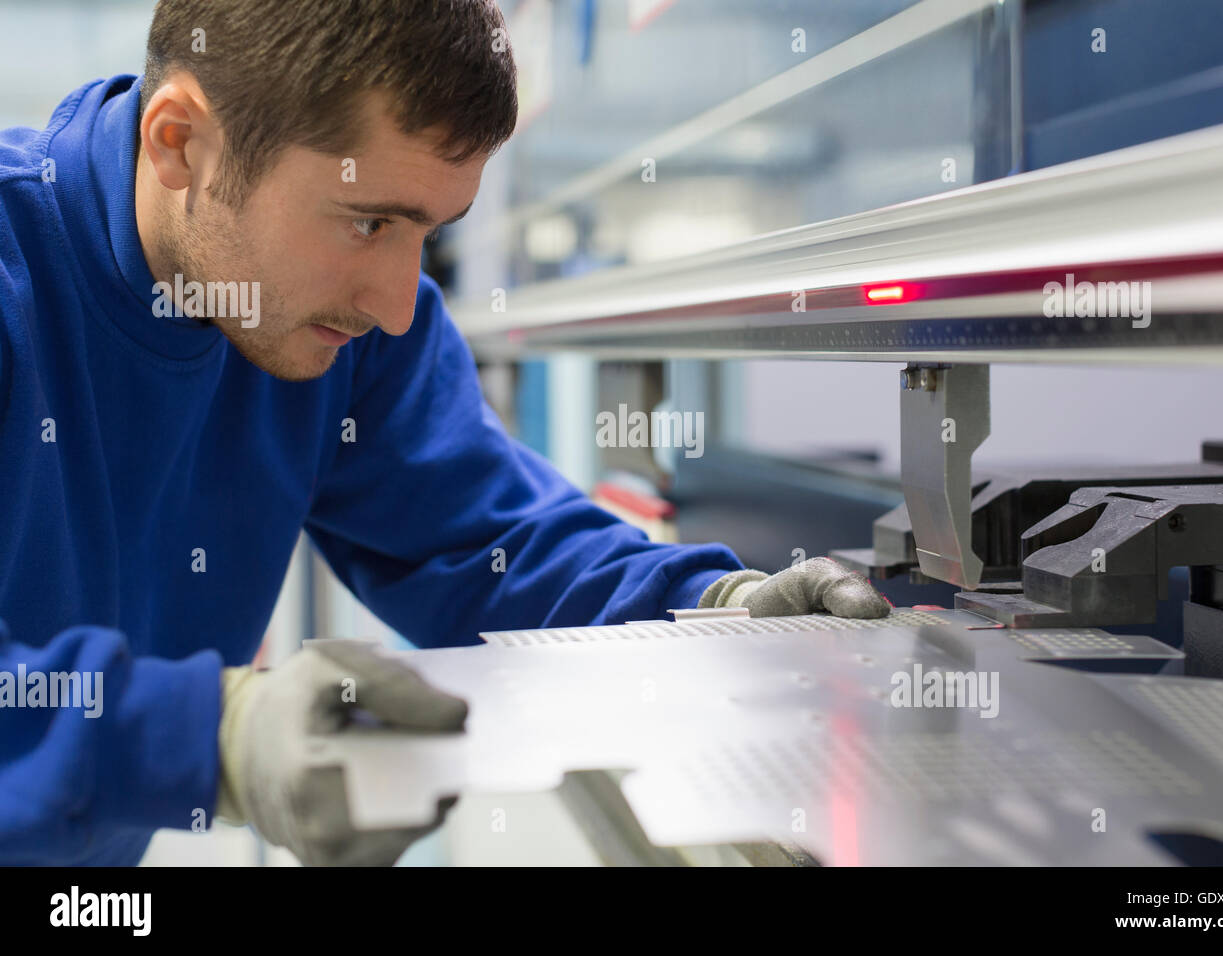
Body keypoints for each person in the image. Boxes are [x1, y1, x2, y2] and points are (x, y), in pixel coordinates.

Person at [0, 0, 890, 866]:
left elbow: (489, 543)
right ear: (181, 142)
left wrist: (709, 612)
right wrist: (214, 735)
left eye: (428, 230)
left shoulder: (343, 328)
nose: (396, 305)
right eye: (367, 221)